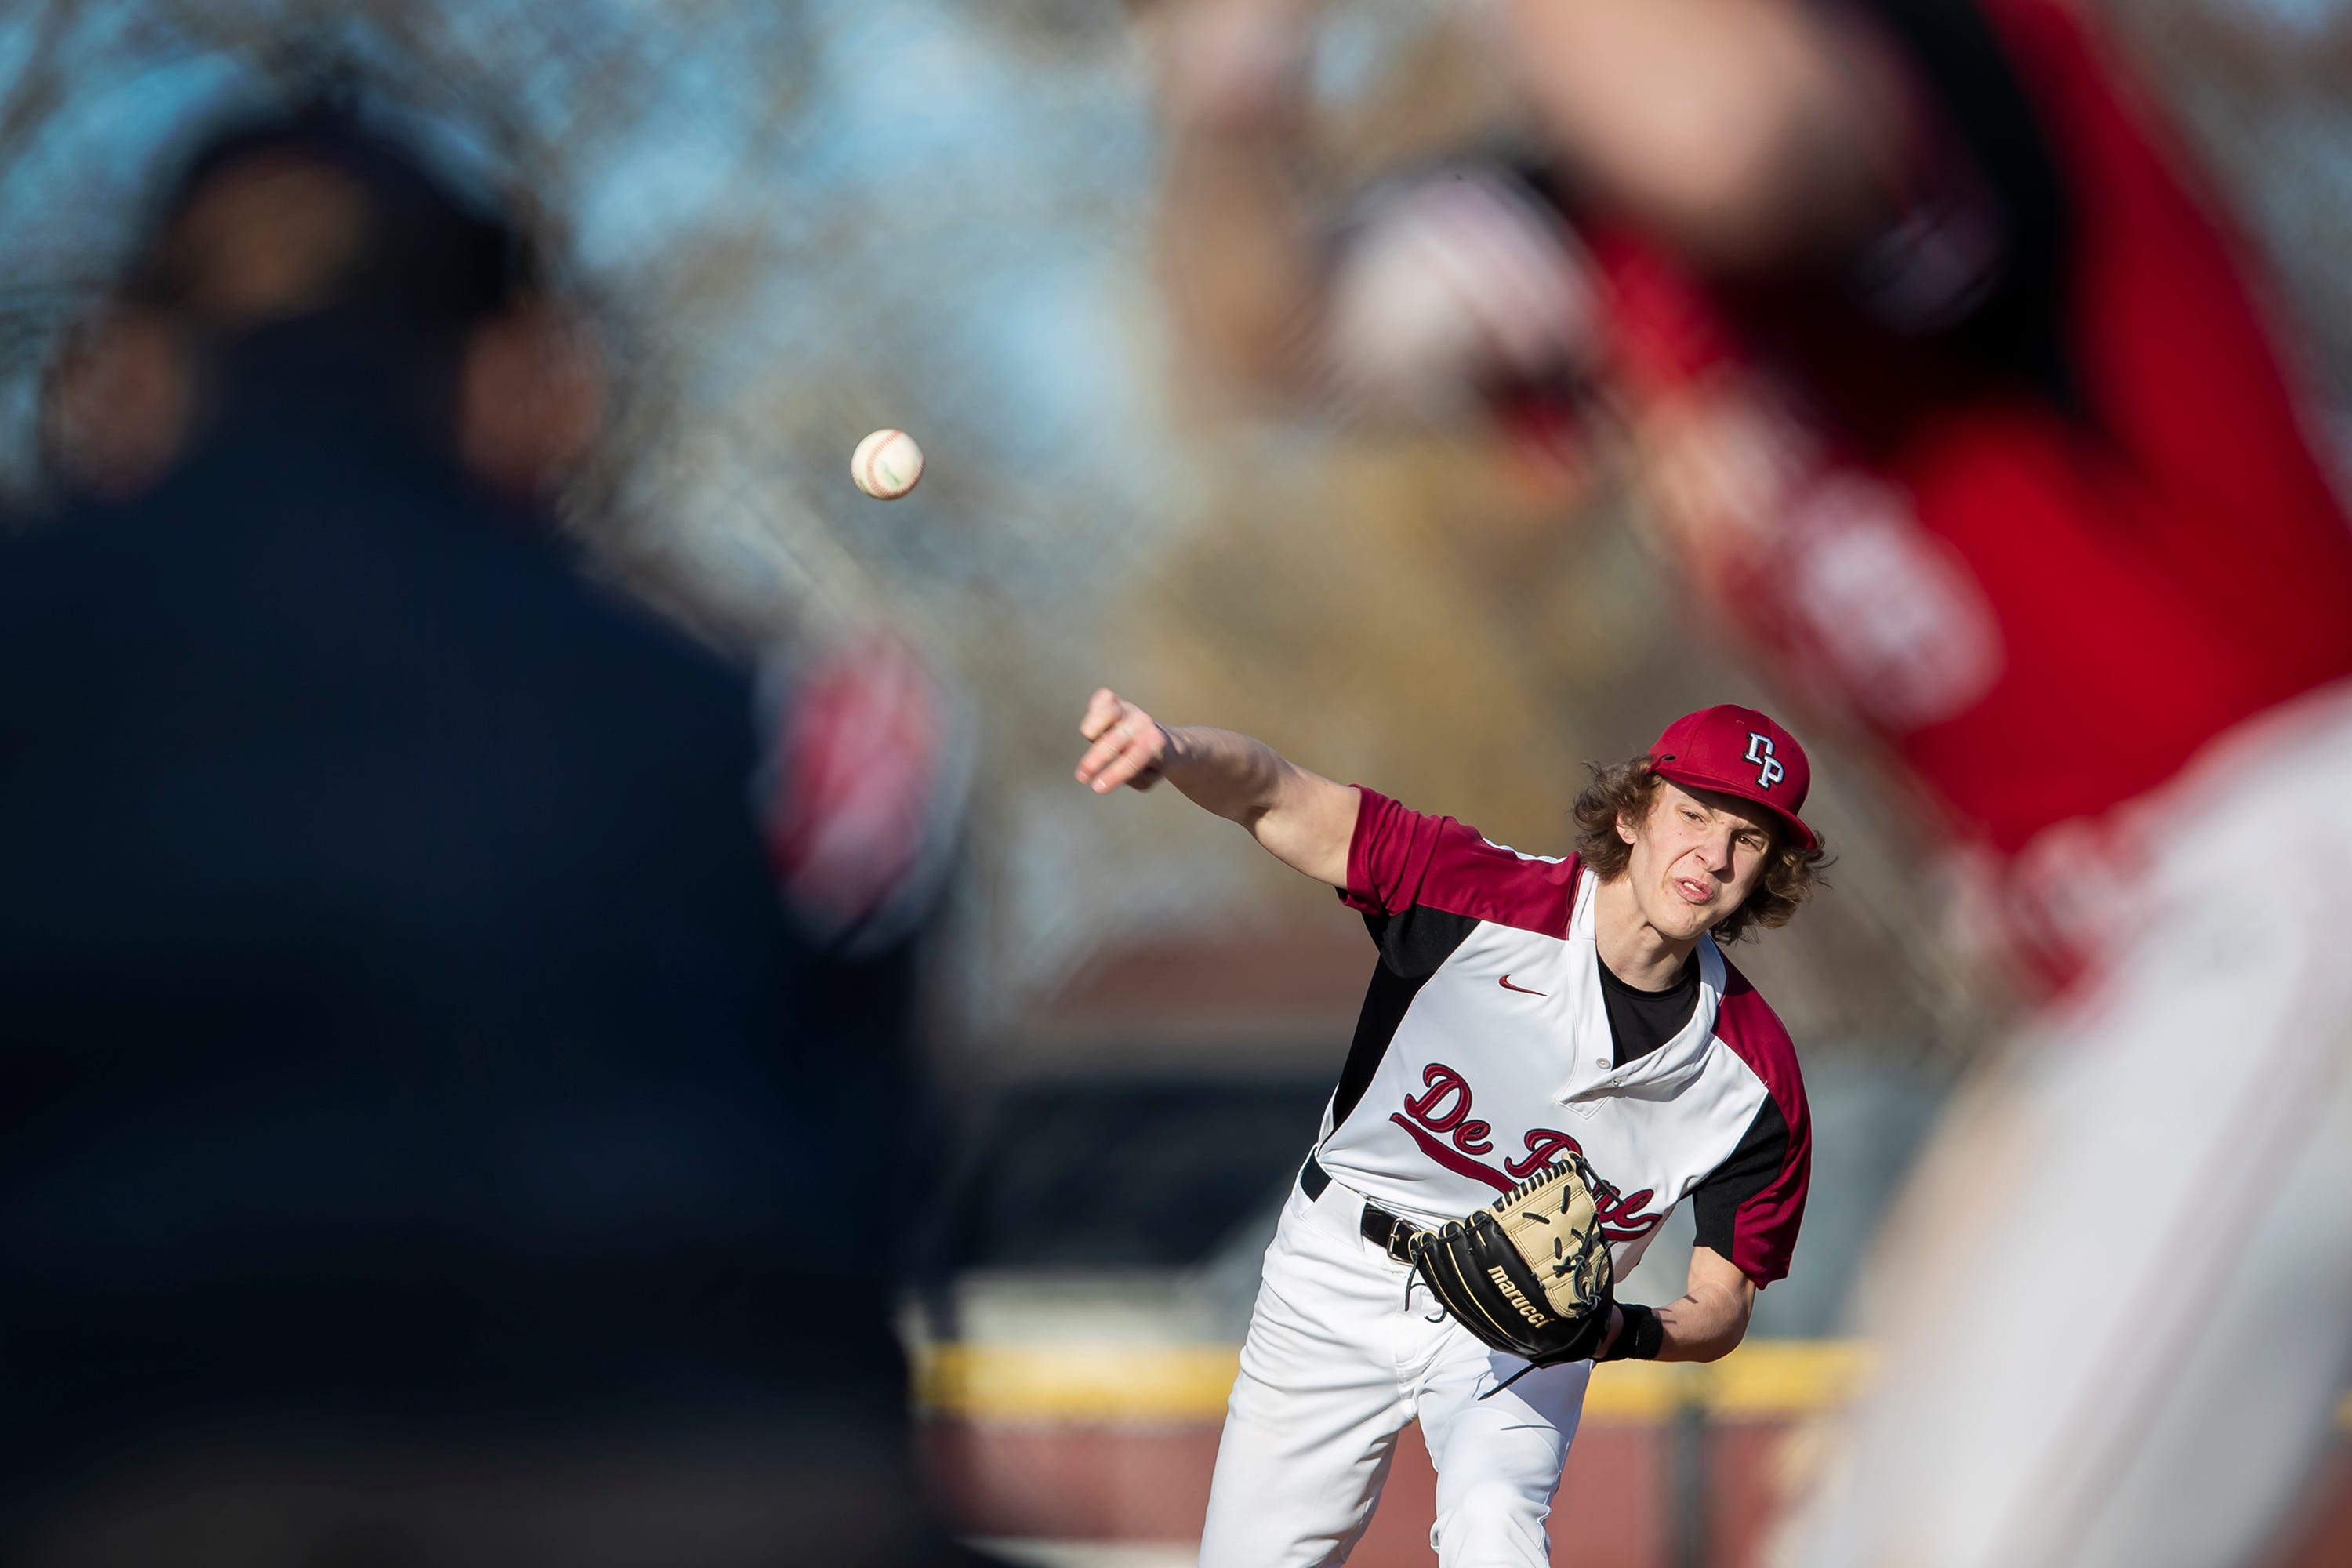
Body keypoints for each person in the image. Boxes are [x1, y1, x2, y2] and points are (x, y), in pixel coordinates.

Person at [1149, 0, 2352, 1563]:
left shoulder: (1907, 53)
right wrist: (1231, 81)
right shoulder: (1598, 236)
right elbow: (1277, 337)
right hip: (2124, 983)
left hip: (2286, 865)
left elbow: (1735, 139)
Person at [0, 101, 967, 1567]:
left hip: (116, 1455)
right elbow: (879, 1155)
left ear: (123, 374)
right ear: (524, 383)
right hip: (714, 1468)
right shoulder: (773, 726)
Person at [1075, 688, 1825, 1567]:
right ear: (1632, 814)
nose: (1714, 855)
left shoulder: (1756, 1080)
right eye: (1693, 814)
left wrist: (1611, 1331)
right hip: (1339, 1270)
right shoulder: (1474, 892)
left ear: (1768, 869)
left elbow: (1723, 1305)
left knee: (1495, 1520)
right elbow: (1273, 792)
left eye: (1748, 838)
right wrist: (1170, 748)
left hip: (1529, 1325)